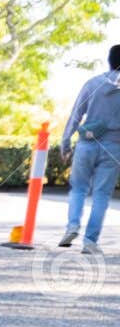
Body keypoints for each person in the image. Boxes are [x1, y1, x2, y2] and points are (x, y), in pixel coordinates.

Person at [59, 43, 120, 255]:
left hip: (86, 144)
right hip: (114, 147)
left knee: (78, 189)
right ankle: (90, 241)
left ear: (109, 60)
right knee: (102, 194)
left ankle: (72, 226)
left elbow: (76, 114)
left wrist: (65, 142)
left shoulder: (93, 83)